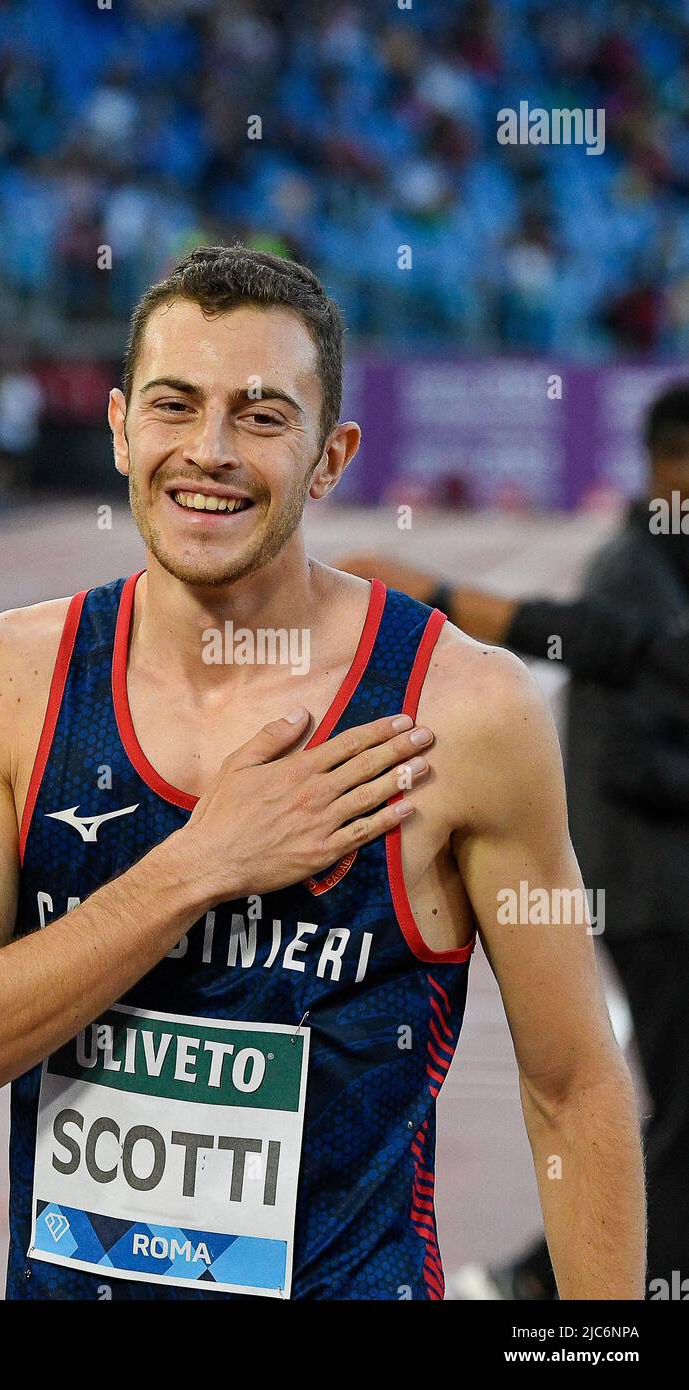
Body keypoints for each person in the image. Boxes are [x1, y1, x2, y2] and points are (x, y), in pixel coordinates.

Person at [0, 246, 644, 1301]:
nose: (208, 451)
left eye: (262, 416)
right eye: (174, 406)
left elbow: (571, 1086)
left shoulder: (458, 714)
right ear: (117, 428)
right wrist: (196, 866)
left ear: (329, 458)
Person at [337, 380, 689, 1300]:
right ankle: (565, 1284)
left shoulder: (666, 566)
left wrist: (458, 598)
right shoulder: (635, 568)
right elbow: (625, 663)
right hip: (655, 888)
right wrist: (457, 602)